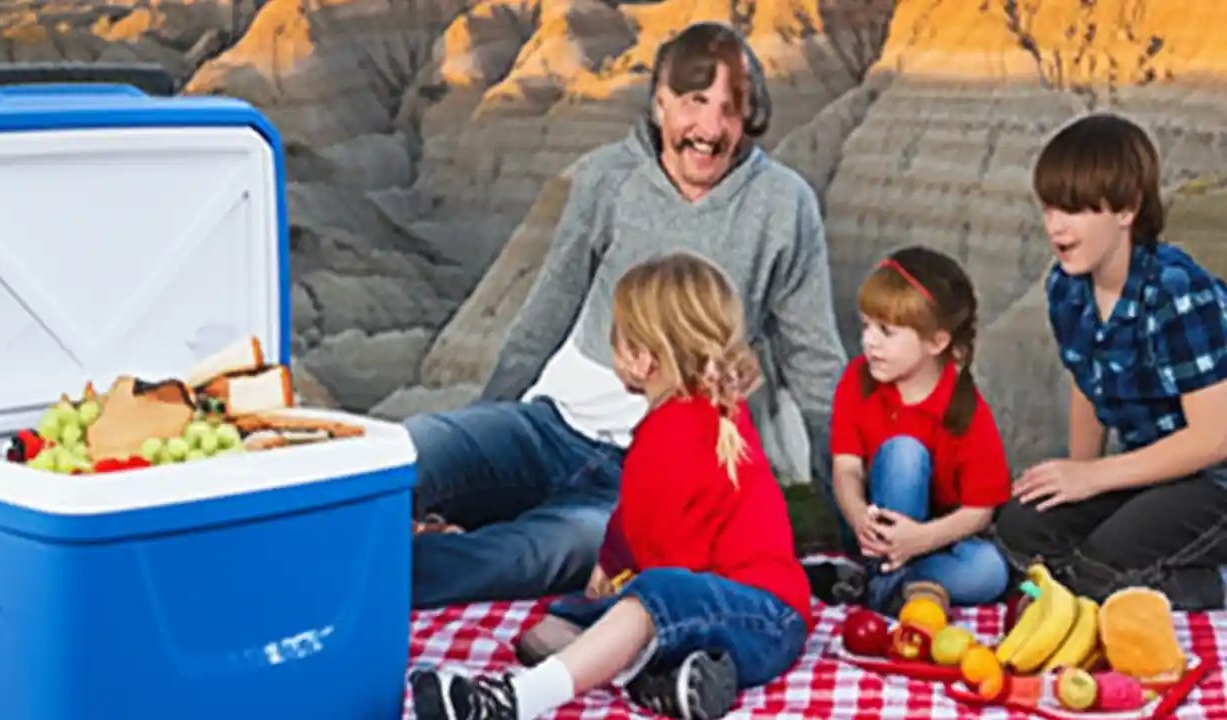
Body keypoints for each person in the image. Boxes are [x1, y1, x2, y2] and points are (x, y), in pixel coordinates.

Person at [406, 21, 847, 609]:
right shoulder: (607, 178)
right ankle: (306, 536)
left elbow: (814, 363)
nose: (711, 130)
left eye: (731, 109)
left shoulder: (782, 205)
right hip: (552, 427)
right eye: (695, 102)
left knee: (549, 548)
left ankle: (361, 578)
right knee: (420, 447)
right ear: (660, 101)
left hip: (654, 475)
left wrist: (848, 510)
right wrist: (487, 425)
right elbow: (543, 317)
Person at [408, 252, 811, 720]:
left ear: (643, 360)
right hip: (697, 606)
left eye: (617, 342)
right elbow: (633, 515)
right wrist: (610, 563)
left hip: (761, 614)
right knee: (548, 633)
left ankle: (511, 701)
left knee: (652, 595)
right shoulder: (668, 422)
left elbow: (680, 557)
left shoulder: (688, 430)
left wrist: (627, 584)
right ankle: (667, 682)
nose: (613, 353)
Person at [994, 112, 1227, 612]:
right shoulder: (1066, 288)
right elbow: (1089, 382)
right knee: (1018, 526)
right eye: (1051, 208)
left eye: (1076, 210)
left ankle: (1213, 583)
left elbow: (1214, 438)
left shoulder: (1177, 292)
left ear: (1127, 209)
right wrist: (1076, 480)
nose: (1056, 226)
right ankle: (1112, 576)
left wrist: (1094, 479)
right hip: (1149, 474)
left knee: (1100, 568)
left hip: (1215, 480)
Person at [807, 246, 1012, 615]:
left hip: (931, 540)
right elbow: (846, 468)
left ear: (937, 342)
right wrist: (858, 517)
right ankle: (886, 580)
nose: (869, 341)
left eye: (886, 331)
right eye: (866, 325)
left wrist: (919, 539)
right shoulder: (857, 381)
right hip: (874, 532)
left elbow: (980, 510)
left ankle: (881, 588)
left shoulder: (964, 408)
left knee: (991, 571)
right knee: (904, 452)